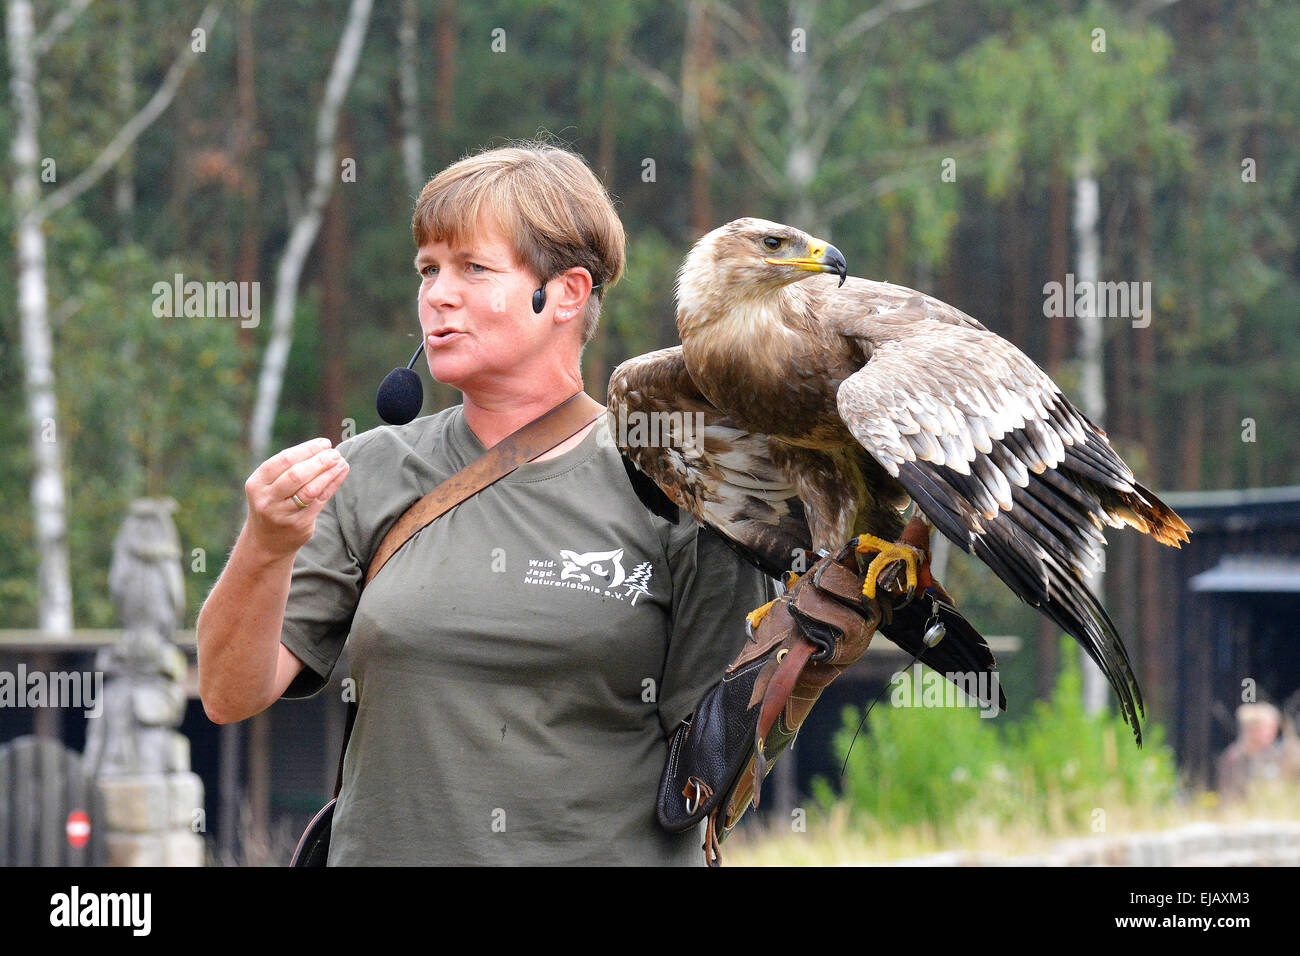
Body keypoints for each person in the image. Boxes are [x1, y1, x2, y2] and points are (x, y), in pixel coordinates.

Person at [195, 141, 773, 864]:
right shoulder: (368, 471)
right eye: (428, 269)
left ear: (566, 292)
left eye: (473, 267)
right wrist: (265, 547)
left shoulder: (676, 485)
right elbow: (226, 693)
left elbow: (719, 761)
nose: (437, 293)